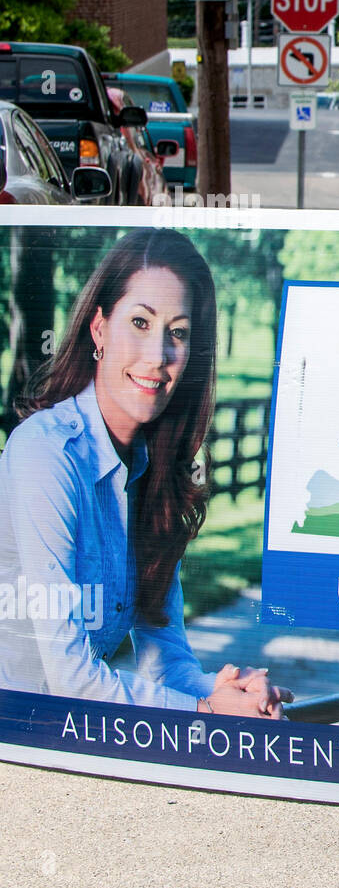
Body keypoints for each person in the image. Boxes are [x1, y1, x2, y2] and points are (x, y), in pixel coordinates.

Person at [0, 228, 291, 718]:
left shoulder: (151, 475)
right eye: (140, 321)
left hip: (71, 737)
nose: (158, 355)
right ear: (99, 330)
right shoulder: (44, 455)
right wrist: (203, 709)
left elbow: (166, 663)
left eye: (177, 332)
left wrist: (234, 693)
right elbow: (70, 678)